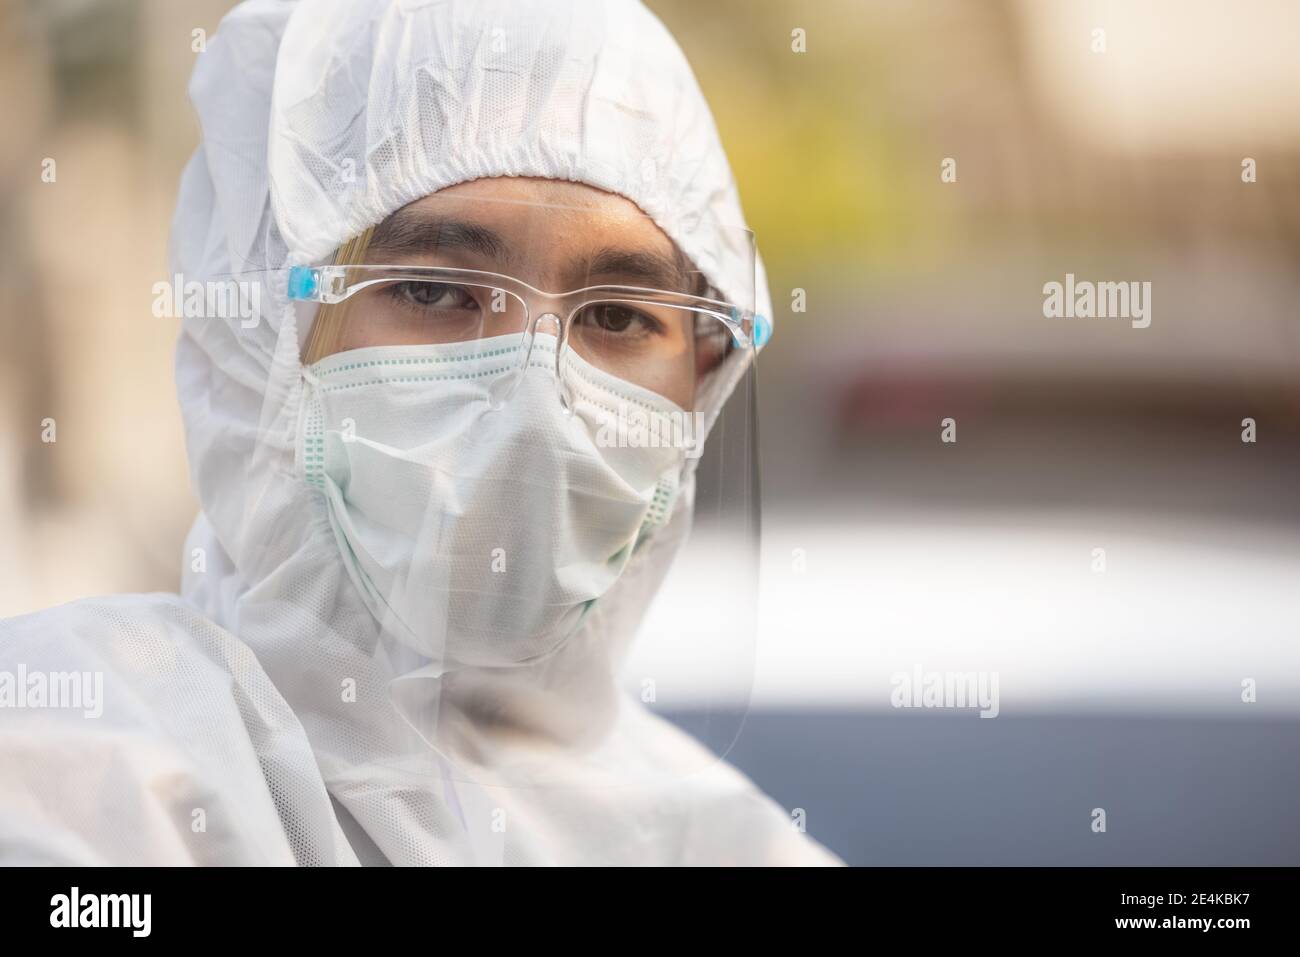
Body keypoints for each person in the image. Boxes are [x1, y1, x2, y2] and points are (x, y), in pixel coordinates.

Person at [0, 0, 841, 866]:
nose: (536, 407)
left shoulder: (731, 845)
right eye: (435, 291)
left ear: (703, 378)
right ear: (266, 338)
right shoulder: (86, 765)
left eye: (619, 315)